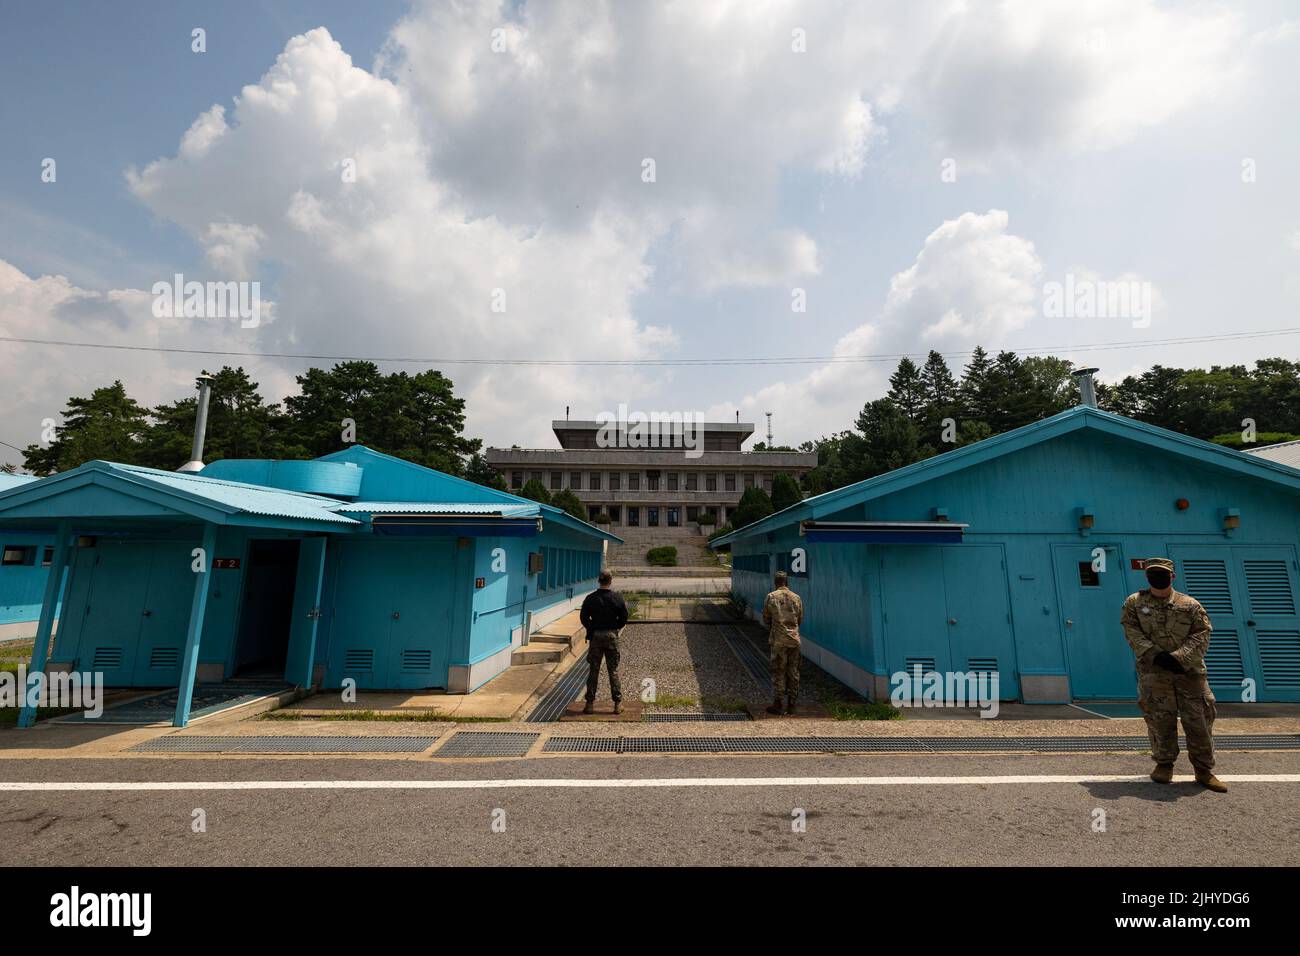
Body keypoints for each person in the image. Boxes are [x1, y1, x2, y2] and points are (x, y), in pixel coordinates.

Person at [1121, 558, 1226, 792]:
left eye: (1162, 573)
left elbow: (1201, 634)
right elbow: (1131, 630)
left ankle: (1204, 770)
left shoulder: (1190, 605)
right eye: (1153, 573)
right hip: (1154, 672)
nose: (1157, 577)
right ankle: (1164, 764)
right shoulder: (1134, 603)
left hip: (1189, 673)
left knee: (1199, 721)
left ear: (1173, 577)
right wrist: (1154, 654)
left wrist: (1179, 657)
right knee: (1159, 721)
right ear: (1147, 577)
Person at [580, 569, 628, 714]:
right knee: (612, 670)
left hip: (596, 637)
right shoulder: (617, 598)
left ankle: (589, 704)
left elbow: (583, 617)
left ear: (599, 581)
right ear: (610, 581)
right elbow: (624, 618)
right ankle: (617, 704)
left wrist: (592, 628)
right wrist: (614, 628)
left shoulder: (590, 598)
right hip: (611, 636)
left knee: (593, 670)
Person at [762, 570, 803, 716]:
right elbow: (799, 619)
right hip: (794, 640)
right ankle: (792, 704)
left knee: (778, 670)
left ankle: (778, 703)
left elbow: (766, 618)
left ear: (776, 583)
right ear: (787, 582)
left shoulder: (771, 597)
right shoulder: (796, 598)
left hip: (779, 641)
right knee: (793, 671)